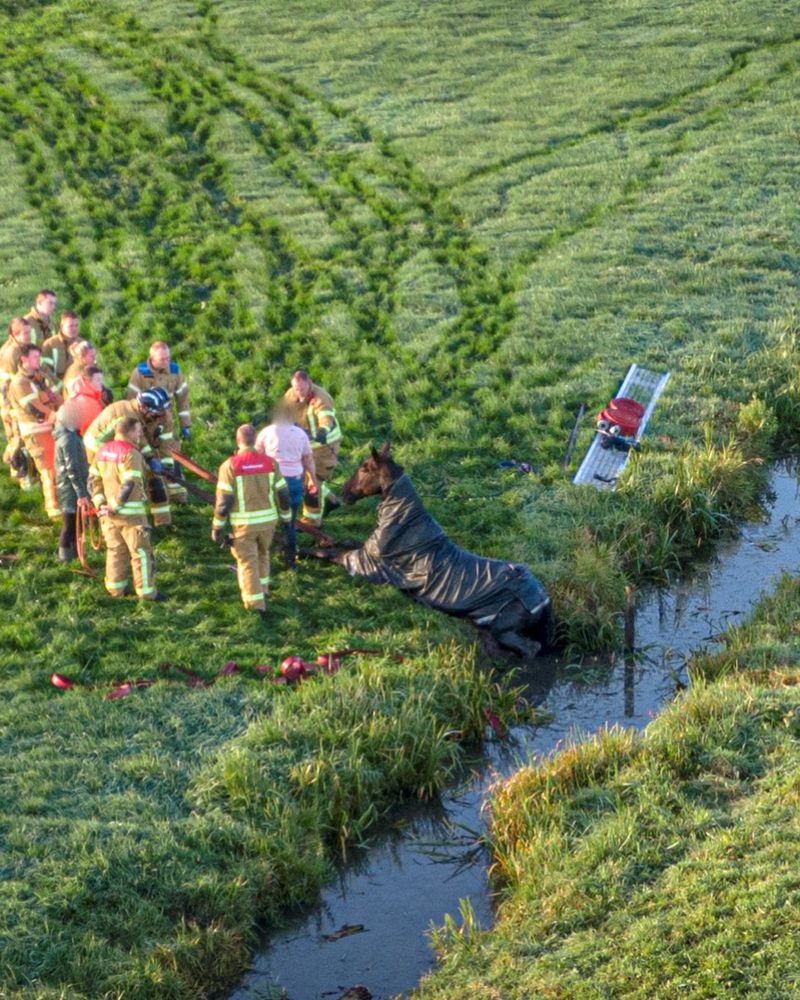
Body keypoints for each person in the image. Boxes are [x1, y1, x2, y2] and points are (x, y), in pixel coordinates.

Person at [212, 423, 291, 614]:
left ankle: (255, 606)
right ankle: (263, 590)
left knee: (247, 562)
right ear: (254, 440)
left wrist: (217, 527)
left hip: (244, 526)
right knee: (263, 554)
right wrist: (287, 519)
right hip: (268, 523)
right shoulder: (271, 463)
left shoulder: (230, 465)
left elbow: (224, 503)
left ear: (237, 441)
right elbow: (283, 494)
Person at [88, 416, 165, 601]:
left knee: (115, 550)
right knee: (141, 553)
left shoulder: (102, 451)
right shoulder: (131, 454)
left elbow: (92, 481)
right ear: (129, 432)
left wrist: (101, 505)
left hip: (108, 516)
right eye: (138, 432)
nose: (139, 436)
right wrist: (114, 506)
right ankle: (147, 593)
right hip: (132, 516)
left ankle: (115, 590)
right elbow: (129, 484)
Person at [84, 389, 172, 526]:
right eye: (157, 413)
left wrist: (159, 462)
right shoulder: (126, 416)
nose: (160, 416)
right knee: (116, 483)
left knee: (150, 476)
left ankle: (162, 522)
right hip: (99, 450)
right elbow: (139, 442)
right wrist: (150, 459)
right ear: (144, 409)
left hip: (118, 447)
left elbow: (152, 441)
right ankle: (109, 518)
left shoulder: (139, 413)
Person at [125, 341, 190, 503]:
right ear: (152, 358)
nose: (167, 362)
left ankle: (177, 494)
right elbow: (131, 400)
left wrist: (185, 424)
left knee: (171, 453)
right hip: (146, 421)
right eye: (162, 359)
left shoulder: (175, 371)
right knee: (149, 455)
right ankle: (153, 492)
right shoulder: (140, 373)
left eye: (168, 358)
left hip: (166, 419)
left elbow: (183, 399)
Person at [255, 405, 319, 568]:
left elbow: (256, 457)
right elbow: (308, 460)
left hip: (271, 481)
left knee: (266, 519)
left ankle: (261, 557)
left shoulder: (266, 433)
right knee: (289, 522)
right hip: (293, 482)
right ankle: (290, 561)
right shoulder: (300, 434)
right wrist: (312, 479)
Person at [7, 343, 62, 517]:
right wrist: (54, 414)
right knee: (49, 469)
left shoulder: (39, 377)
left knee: (59, 466)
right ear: (23, 359)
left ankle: (63, 503)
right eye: (35, 357)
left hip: (50, 427)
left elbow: (57, 397)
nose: (39, 360)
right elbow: (34, 409)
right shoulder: (19, 383)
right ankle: (54, 510)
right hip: (36, 432)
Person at [281, 369, 342, 526]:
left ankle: (312, 520)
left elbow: (325, 418)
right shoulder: (291, 394)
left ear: (309, 383)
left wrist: (323, 431)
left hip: (325, 446)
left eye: (301, 389)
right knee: (304, 478)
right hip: (304, 445)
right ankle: (331, 500)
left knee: (314, 481)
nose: (298, 392)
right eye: (295, 388)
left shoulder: (321, 397)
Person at [53, 402, 90, 563]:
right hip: (70, 489)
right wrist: (81, 493)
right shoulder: (68, 439)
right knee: (69, 525)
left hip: (68, 487)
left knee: (75, 524)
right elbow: (72, 469)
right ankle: (65, 557)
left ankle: (74, 553)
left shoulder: (68, 436)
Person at [0, 317, 32, 473]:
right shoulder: (12, 353)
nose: (29, 336)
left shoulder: (20, 347)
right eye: (26, 333)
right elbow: (13, 383)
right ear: (15, 334)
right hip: (10, 401)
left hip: (13, 398)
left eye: (29, 332)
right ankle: (15, 465)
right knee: (16, 435)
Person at [41, 311, 80, 395]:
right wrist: (60, 386)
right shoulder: (50, 344)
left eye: (76, 326)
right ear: (62, 326)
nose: (74, 329)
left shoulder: (82, 344)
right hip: (56, 390)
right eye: (70, 326)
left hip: (77, 389)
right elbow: (45, 370)